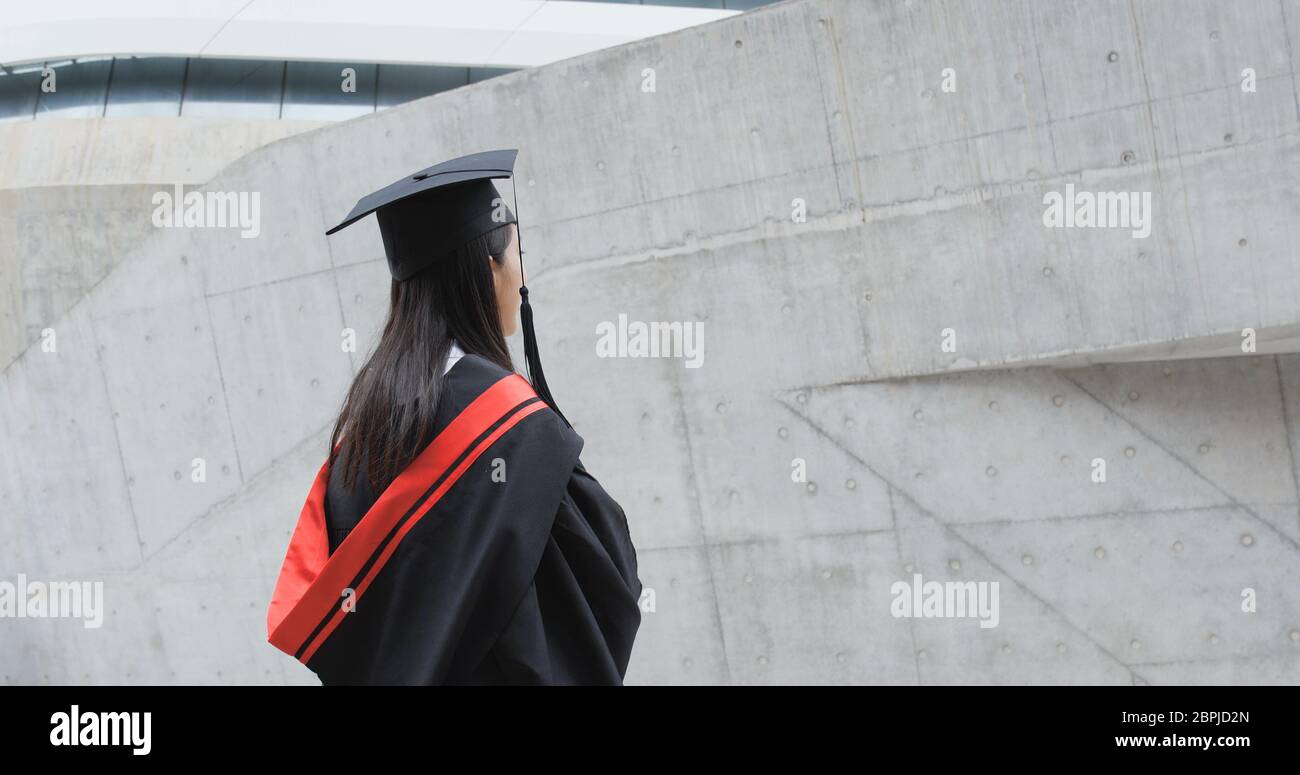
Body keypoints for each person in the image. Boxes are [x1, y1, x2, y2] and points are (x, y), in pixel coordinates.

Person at [266, 150, 642, 684]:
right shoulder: (511, 426)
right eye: (516, 252)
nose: (522, 272)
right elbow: (604, 584)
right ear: (487, 266)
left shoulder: (361, 433)